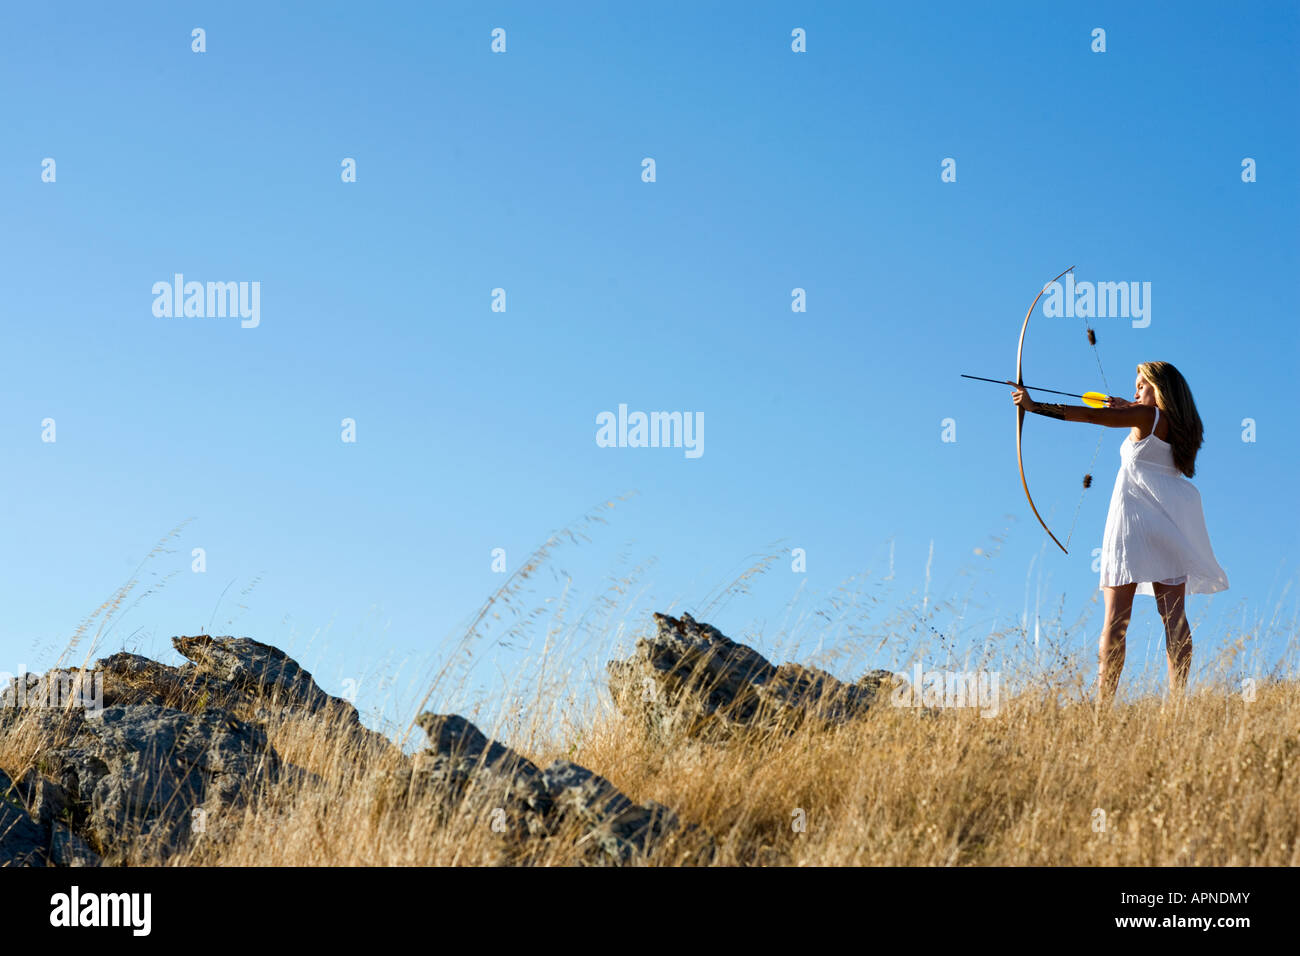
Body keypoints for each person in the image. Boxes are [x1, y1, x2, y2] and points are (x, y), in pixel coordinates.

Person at [1011, 361, 1228, 706]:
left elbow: (1094, 417)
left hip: (1132, 527)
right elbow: (1140, 426)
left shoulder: (1147, 418)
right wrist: (1130, 407)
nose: (1135, 391)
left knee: (1115, 620)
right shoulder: (1174, 427)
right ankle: (1178, 705)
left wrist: (1035, 407)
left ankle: (1103, 708)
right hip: (1169, 528)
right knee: (1174, 617)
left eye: (1141, 386)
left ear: (1161, 391)